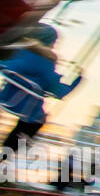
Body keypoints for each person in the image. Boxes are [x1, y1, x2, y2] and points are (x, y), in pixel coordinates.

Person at [0, 24, 82, 153]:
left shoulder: (16, 51)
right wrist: (77, 80)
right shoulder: (47, 64)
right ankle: (6, 153)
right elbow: (58, 92)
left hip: (4, 98)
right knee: (38, 120)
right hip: (26, 111)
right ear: (49, 42)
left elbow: (4, 65)